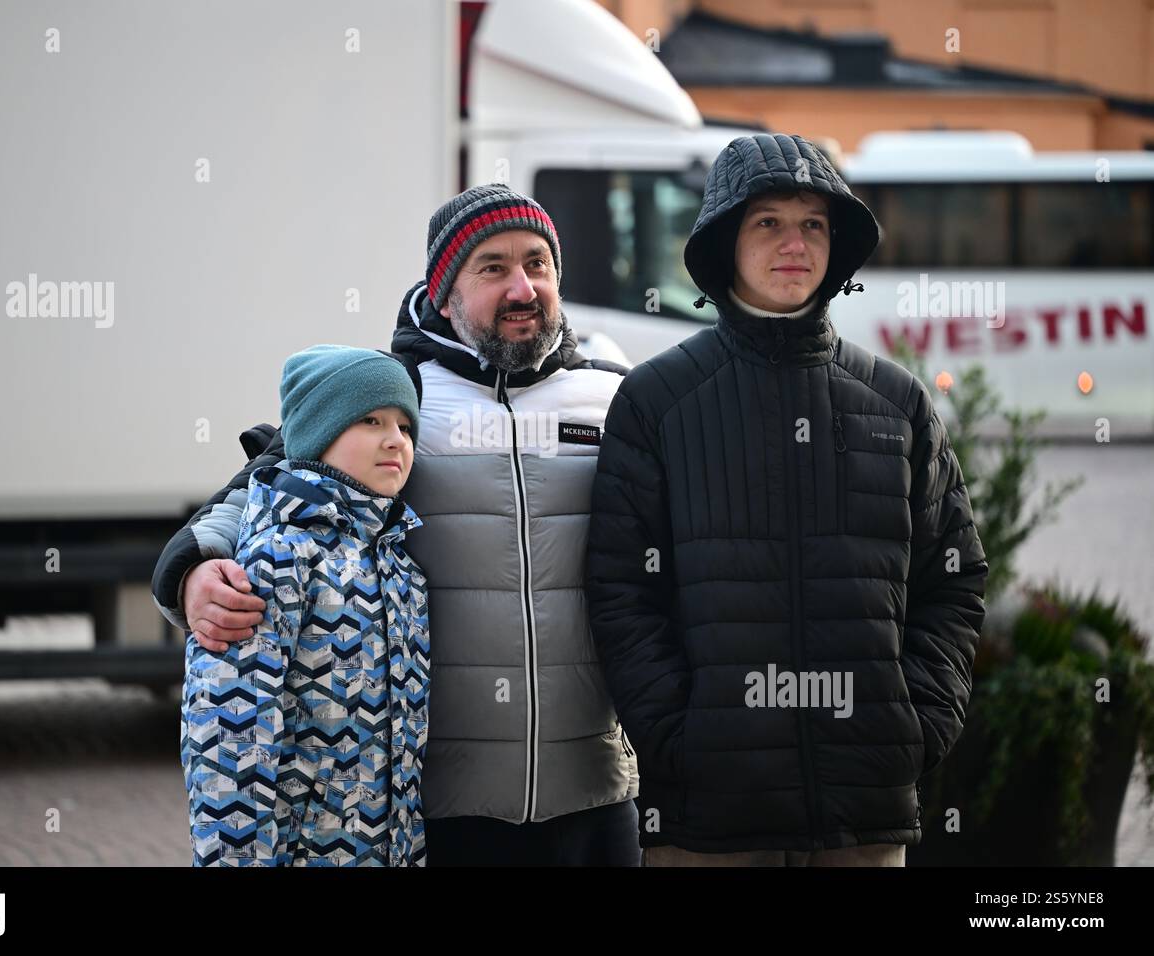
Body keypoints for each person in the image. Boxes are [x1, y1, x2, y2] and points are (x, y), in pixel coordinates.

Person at [159, 186, 641, 866]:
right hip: (440, 812)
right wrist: (194, 569)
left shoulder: (617, 396)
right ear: (443, 294)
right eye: (492, 268)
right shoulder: (396, 396)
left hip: (595, 799)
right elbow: (267, 485)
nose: (522, 286)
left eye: (538, 263)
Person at [585, 133, 988, 866]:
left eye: (813, 224)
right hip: (707, 820)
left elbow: (954, 577)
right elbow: (620, 591)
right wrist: (680, 737)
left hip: (864, 819)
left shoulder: (895, 403)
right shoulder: (657, 401)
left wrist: (917, 723)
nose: (793, 243)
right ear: (723, 243)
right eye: (767, 221)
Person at [181, 345, 429, 865]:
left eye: (406, 427)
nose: (395, 440)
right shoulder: (277, 559)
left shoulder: (402, 568)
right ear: (319, 432)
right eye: (370, 419)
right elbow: (229, 742)